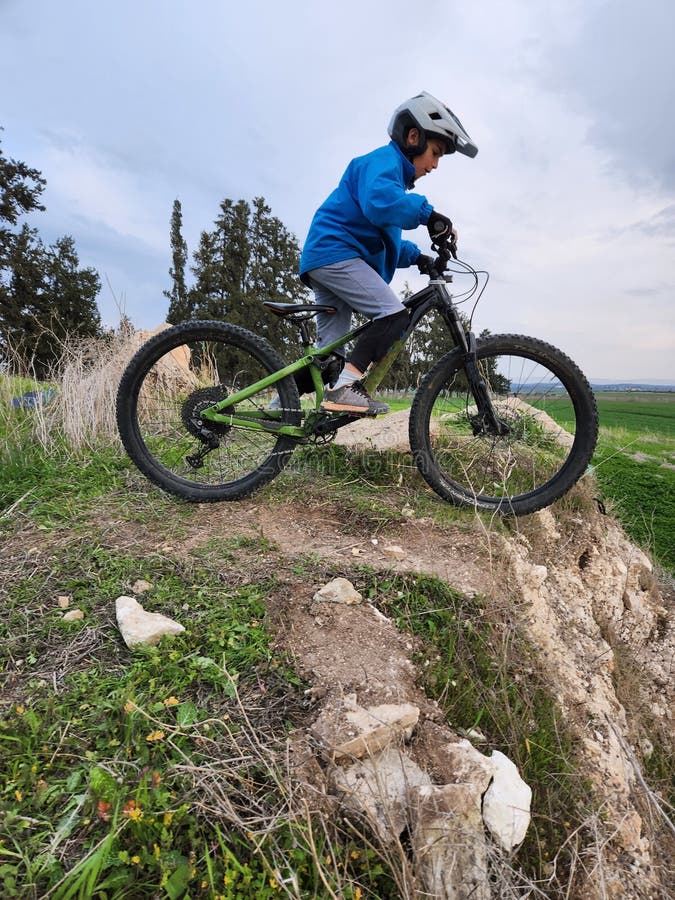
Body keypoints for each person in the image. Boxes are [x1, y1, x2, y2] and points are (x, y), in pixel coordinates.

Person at [299, 90, 478, 415]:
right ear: (413, 137)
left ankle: (273, 411)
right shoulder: (384, 163)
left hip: (329, 256)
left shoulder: (393, 179)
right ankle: (343, 390)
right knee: (393, 314)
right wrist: (429, 215)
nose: (436, 165)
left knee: (328, 357)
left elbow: (386, 241)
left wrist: (418, 258)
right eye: (435, 153)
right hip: (335, 253)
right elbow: (380, 202)